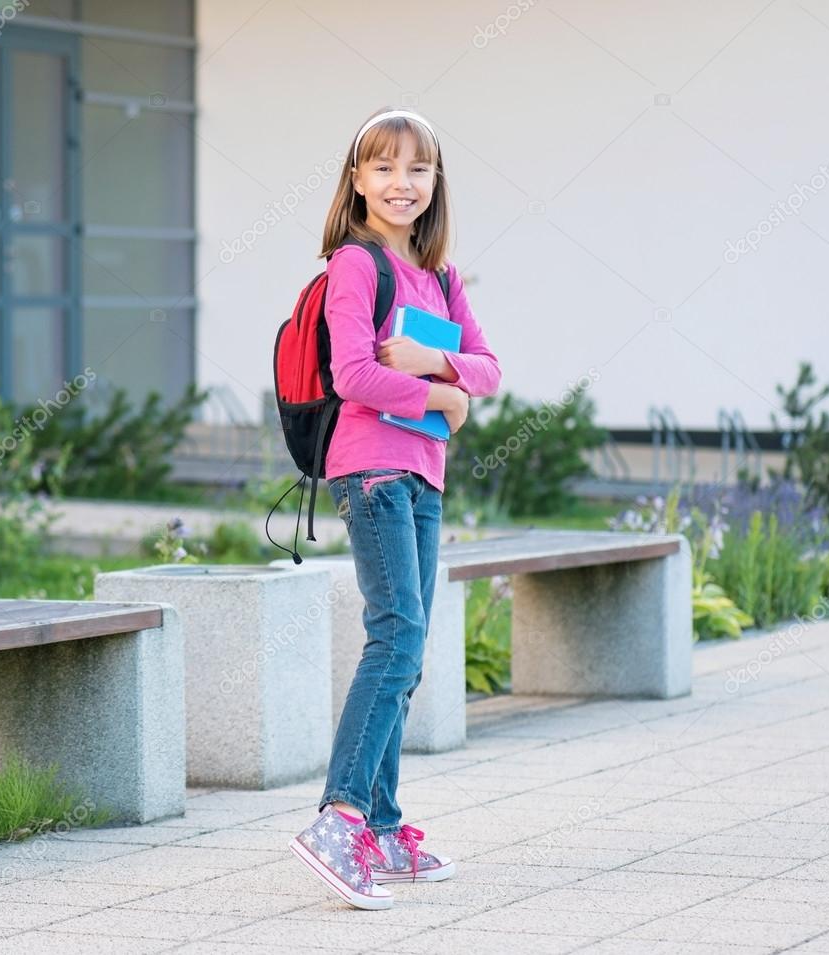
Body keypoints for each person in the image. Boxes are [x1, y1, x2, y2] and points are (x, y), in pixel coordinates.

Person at [287, 107, 502, 910]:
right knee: (399, 632)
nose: (400, 183)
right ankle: (338, 819)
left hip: (424, 473)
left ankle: (378, 826)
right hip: (370, 469)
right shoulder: (356, 264)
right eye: (383, 168)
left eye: (417, 169)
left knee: (407, 650)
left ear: (435, 183)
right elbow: (351, 376)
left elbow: (490, 369)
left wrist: (438, 367)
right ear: (357, 181)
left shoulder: (441, 276)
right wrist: (443, 394)